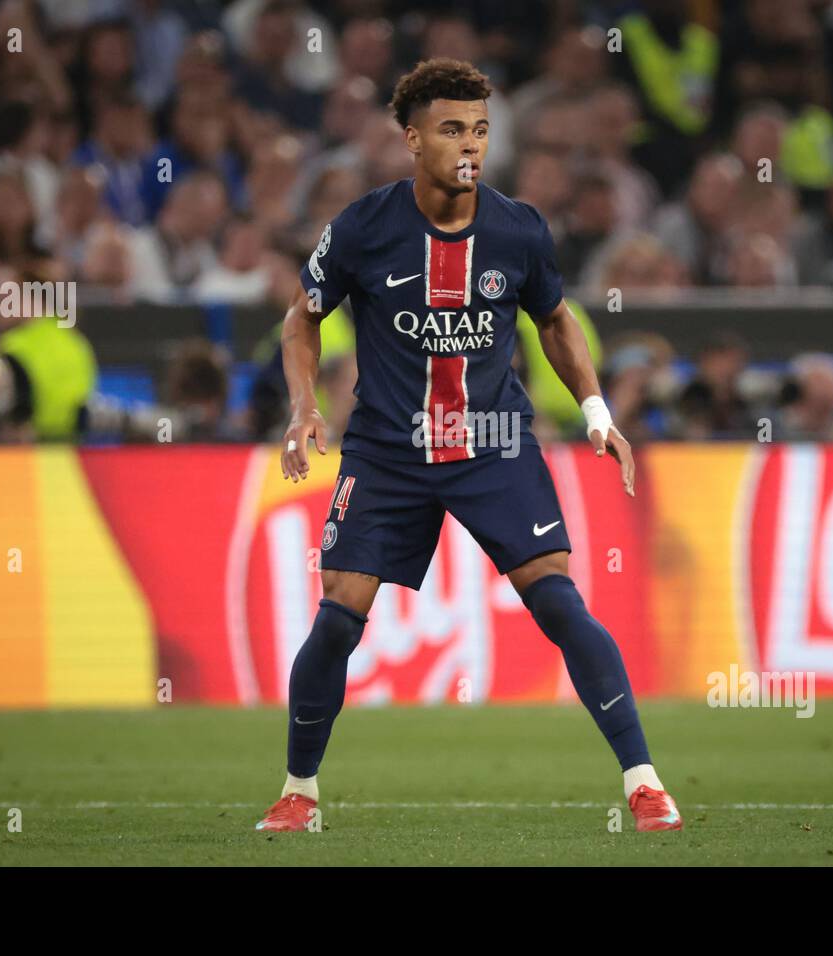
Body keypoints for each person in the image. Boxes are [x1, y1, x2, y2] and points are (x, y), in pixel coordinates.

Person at [257, 58, 681, 834]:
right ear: (412, 138)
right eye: (453, 129)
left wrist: (594, 409)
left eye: (481, 130)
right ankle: (299, 792)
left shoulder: (518, 228)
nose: (470, 145)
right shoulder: (362, 228)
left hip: (493, 446)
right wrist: (302, 408)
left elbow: (554, 320)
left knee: (558, 601)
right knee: (337, 622)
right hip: (388, 452)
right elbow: (301, 317)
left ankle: (645, 783)